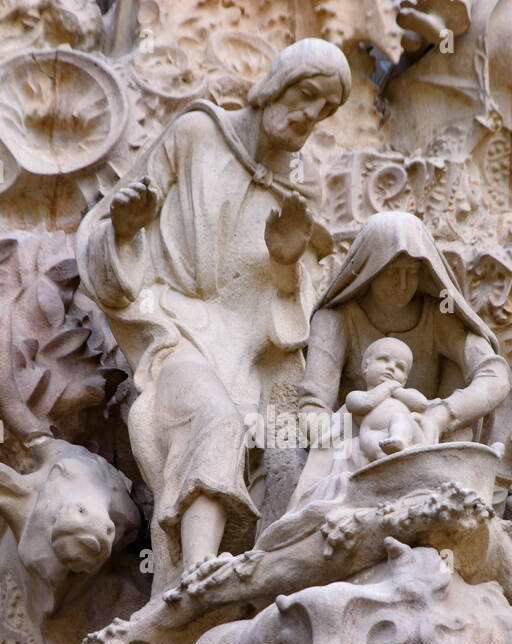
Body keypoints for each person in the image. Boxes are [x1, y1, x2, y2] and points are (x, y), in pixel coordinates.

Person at [75, 38, 351, 592]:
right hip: (175, 330)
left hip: (249, 353)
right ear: (274, 84)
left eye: (323, 110)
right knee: (217, 420)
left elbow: (296, 311)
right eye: (304, 95)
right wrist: (124, 232)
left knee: (284, 462)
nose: (308, 116)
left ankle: (239, 584)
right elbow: (100, 240)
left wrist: (285, 258)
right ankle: (195, 574)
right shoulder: (196, 135)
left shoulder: (301, 184)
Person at [294, 210, 512, 503]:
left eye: (412, 272)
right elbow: (313, 407)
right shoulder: (335, 320)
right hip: (353, 445)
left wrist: (442, 416)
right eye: (392, 272)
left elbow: (495, 375)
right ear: (369, 268)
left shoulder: (440, 316)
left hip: (426, 442)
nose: (403, 284)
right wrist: (350, 438)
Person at [345, 337, 429, 463]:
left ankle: (400, 442)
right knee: (372, 442)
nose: (391, 368)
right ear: (366, 366)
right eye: (383, 359)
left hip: (407, 431)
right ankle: (385, 459)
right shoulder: (357, 395)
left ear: (404, 380)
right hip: (373, 432)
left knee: (399, 418)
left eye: (400, 367)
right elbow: (364, 404)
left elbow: (422, 404)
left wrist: (397, 390)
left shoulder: (404, 393)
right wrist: (388, 387)